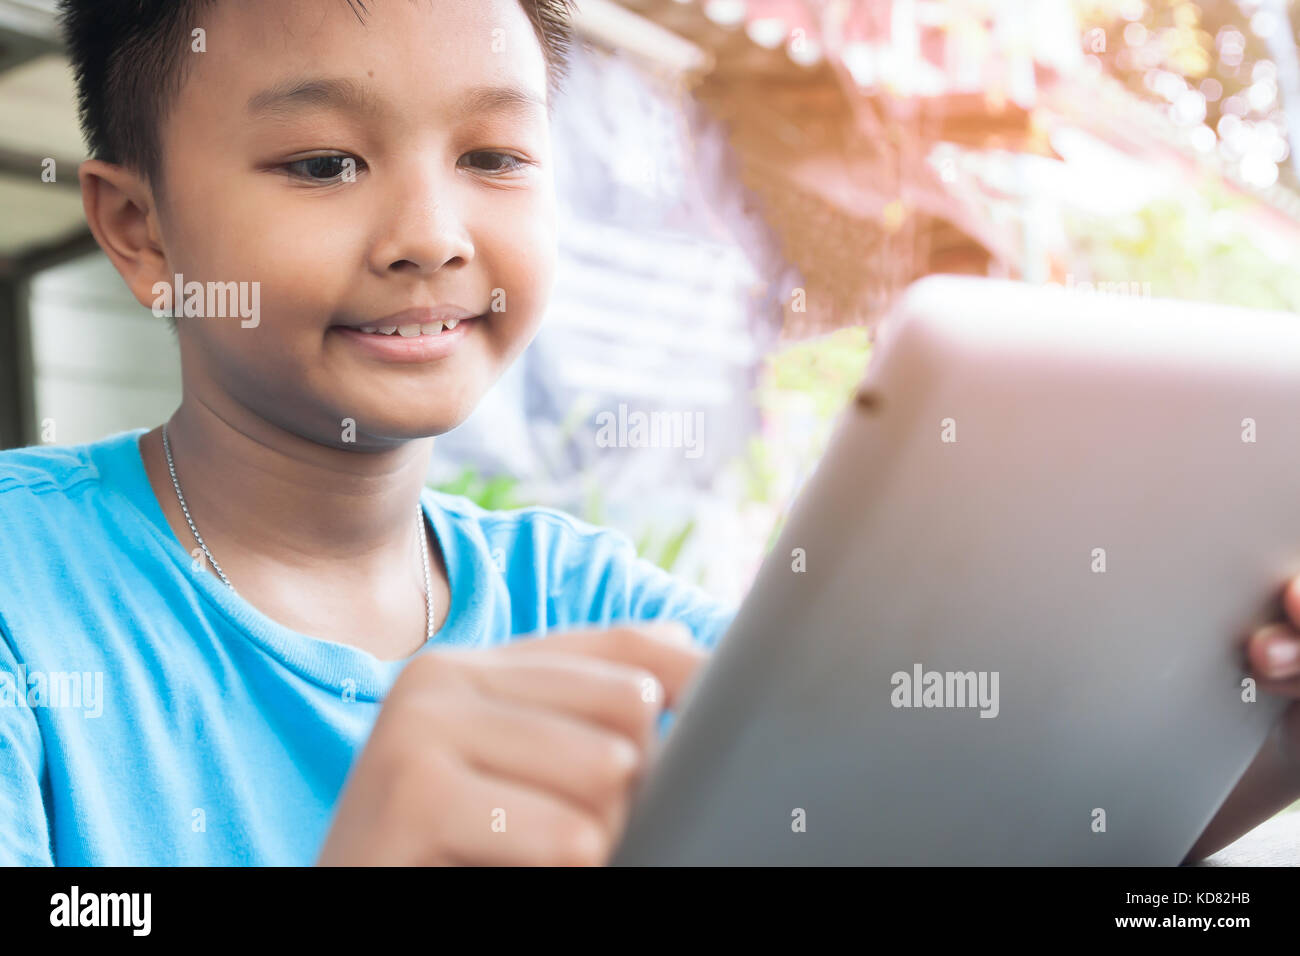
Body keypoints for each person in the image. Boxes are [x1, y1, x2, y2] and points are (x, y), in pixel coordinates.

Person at [1, 0, 1297, 867]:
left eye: (497, 158)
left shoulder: (590, 604)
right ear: (141, 232)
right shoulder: (24, 600)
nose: (433, 234)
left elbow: (967, 841)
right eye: (323, 163)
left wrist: (1269, 733)